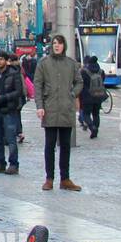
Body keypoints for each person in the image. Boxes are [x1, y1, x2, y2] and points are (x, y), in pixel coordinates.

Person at [34, 34, 83, 191]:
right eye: (54, 43)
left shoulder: (71, 64)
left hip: (66, 109)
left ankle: (65, 178)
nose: (57, 46)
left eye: (60, 43)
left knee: (66, 145)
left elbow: (79, 82)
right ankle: (49, 178)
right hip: (50, 108)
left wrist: (72, 94)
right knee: (49, 145)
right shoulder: (44, 63)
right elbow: (37, 85)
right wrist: (40, 106)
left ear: (64, 46)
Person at [0, 50, 24, 174]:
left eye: (1, 59)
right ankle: (0, 162)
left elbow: (18, 91)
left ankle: (13, 164)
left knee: (11, 138)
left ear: (6, 61)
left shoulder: (14, 73)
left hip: (8, 110)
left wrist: (4, 97)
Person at [78, 55, 106, 139]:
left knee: (86, 114)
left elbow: (80, 83)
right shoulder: (101, 71)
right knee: (96, 114)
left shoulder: (84, 72)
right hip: (98, 96)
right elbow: (103, 81)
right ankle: (96, 128)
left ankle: (92, 127)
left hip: (87, 97)